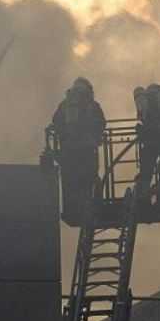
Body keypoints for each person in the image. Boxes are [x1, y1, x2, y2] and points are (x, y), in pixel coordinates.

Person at [52, 77, 106, 224]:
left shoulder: (64, 105)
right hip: (87, 150)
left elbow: (55, 121)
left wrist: (65, 136)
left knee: (71, 180)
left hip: (68, 151)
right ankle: (91, 206)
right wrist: (95, 137)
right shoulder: (92, 105)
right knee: (90, 179)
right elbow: (102, 122)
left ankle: (73, 207)